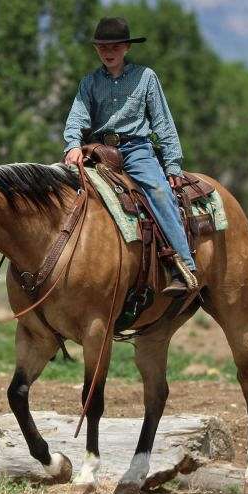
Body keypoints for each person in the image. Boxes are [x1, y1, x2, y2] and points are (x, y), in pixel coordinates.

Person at [63, 16, 199, 295]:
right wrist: (73, 145)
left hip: (136, 149)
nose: (108, 52)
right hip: (98, 151)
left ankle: (183, 266)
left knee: (159, 192)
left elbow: (163, 122)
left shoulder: (146, 77)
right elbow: (77, 116)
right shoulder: (89, 83)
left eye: (114, 46)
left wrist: (172, 165)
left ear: (126, 47)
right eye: (102, 47)